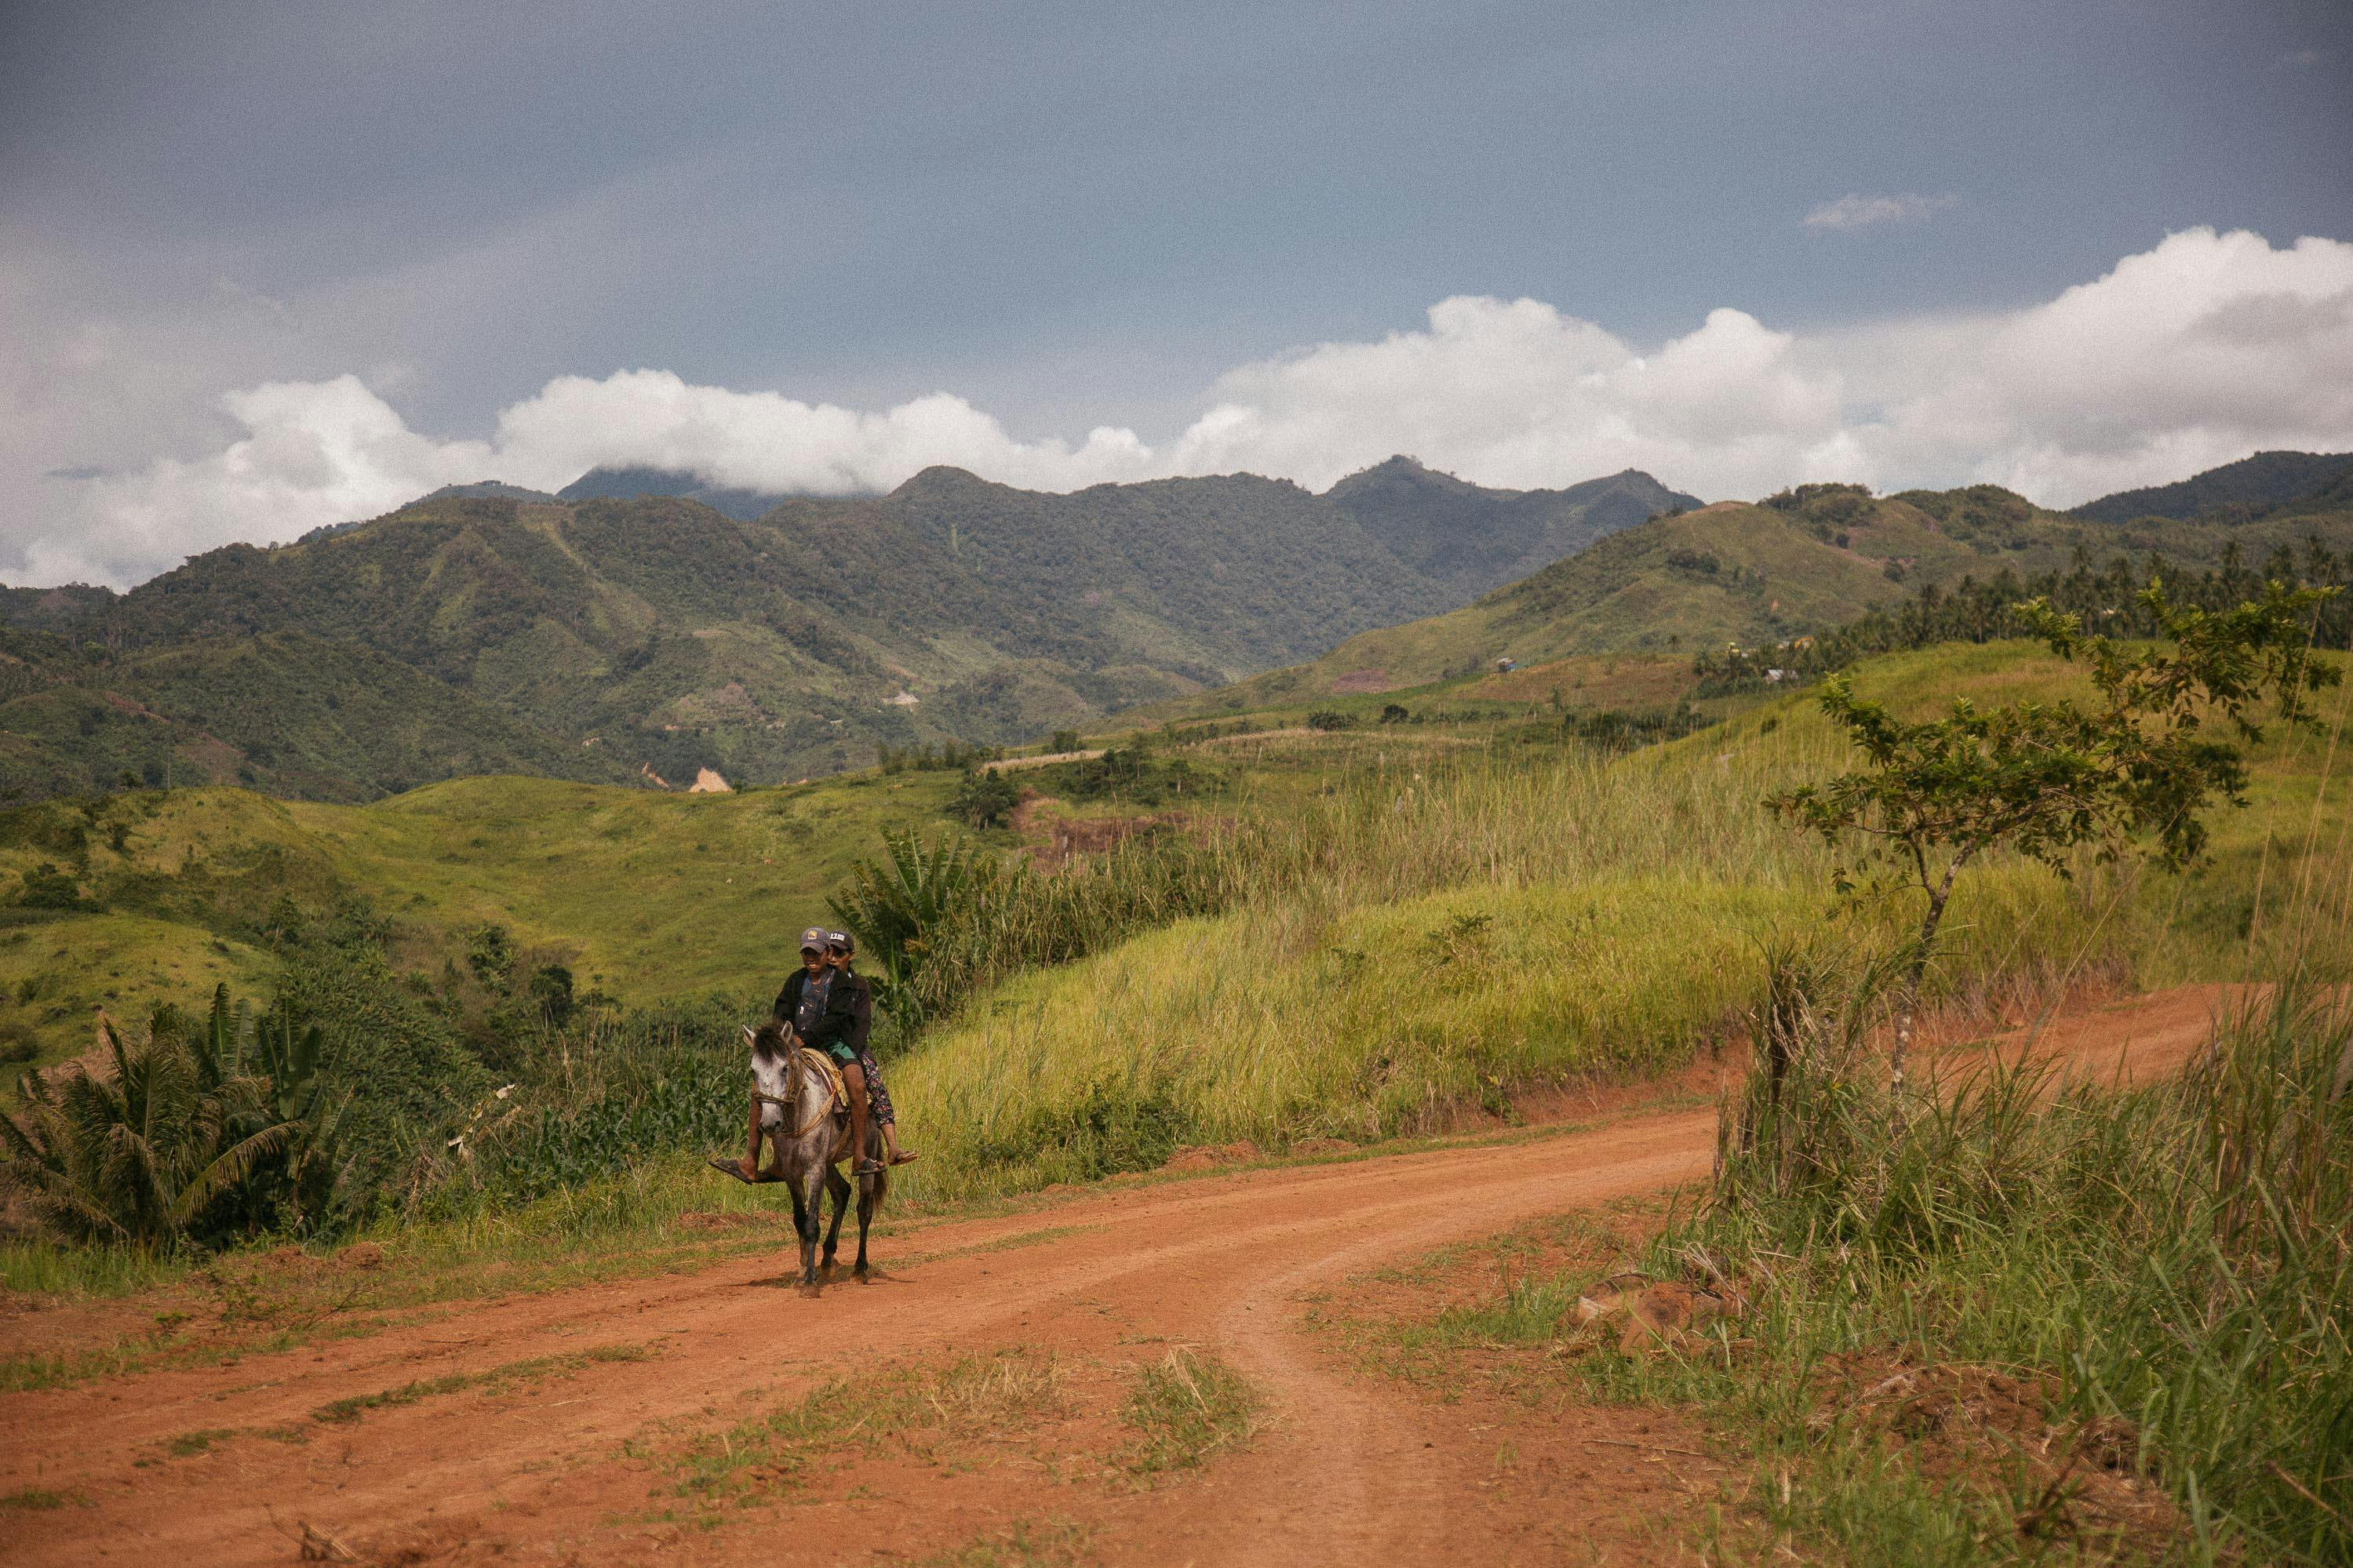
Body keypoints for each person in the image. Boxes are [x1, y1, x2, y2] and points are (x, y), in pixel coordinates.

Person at [825, 930, 917, 1169]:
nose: (833, 957)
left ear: (851, 955)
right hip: (821, 1043)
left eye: (840, 953)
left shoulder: (859, 986)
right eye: (830, 952)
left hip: (851, 1047)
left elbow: (862, 1024)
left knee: (874, 1084)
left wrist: (850, 1053)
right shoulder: (818, 984)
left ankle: (893, 1147)